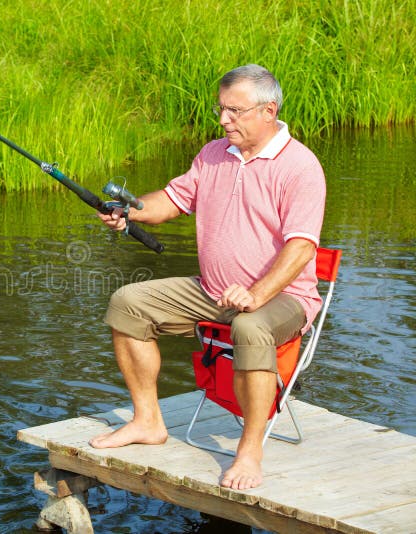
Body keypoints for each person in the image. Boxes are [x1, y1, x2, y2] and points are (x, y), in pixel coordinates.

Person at [91, 64, 326, 490]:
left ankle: (249, 450)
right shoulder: (214, 153)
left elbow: (302, 248)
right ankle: (147, 421)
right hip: (213, 292)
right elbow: (171, 200)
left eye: (235, 111)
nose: (223, 120)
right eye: (221, 109)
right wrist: (130, 211)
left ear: (269, 111)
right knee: (129, 303)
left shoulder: (300, 166)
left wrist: (256, 295)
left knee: (251, 327)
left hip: (283, 298)